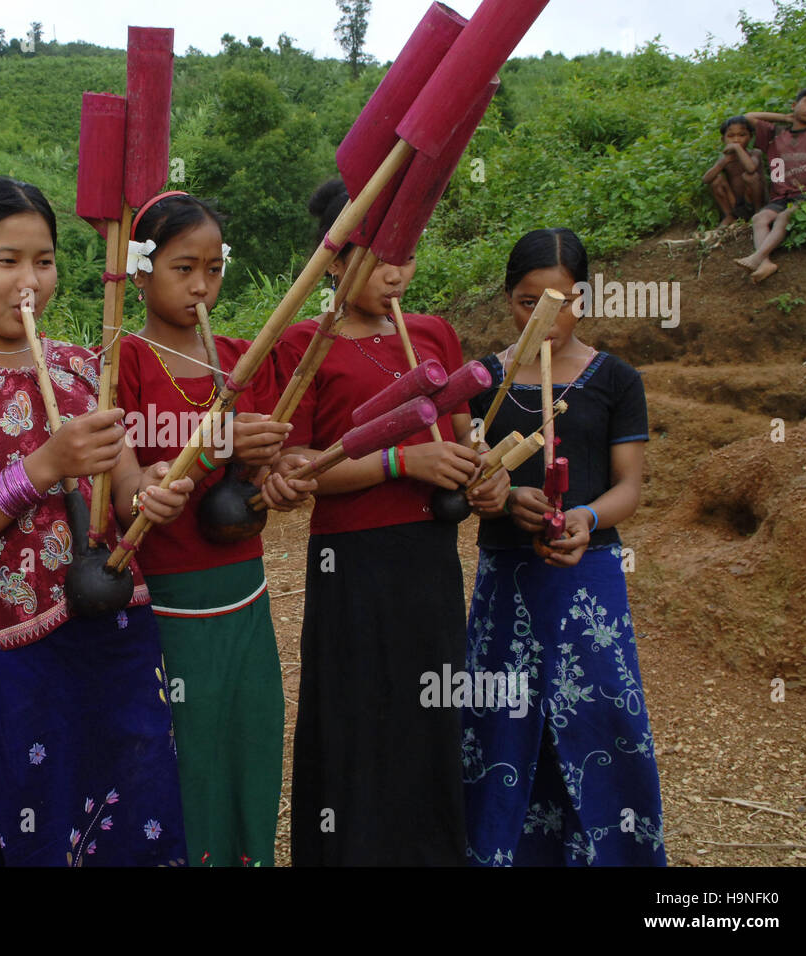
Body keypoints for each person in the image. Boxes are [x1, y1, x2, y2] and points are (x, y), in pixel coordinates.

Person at [0, 175, 194, 866]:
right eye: (7, 261)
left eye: (45, 261)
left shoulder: (82, 366)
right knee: (32, 801)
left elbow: (124, 486)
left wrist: (152, 492)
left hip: (115, 618)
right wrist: (42, 468)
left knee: (137, 787)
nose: (31, 280)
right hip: (14, 638)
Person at [279, 179, 508, 866]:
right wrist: (401, 462)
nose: (395, 274)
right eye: (378, 258)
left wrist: (487, 474)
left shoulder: (433, 332)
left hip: (429, 557)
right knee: (358, 711)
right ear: (334, 257)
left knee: (429, 711)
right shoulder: (305, 344)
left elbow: (468, 439)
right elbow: (305, 466)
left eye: (404, 257)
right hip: (351, 561)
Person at [115, 191, 315, 867]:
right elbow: (123, 490)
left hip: (244, 591)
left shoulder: (242, 359)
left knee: (249, 733)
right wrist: (209, 445)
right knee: (185, 744)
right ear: (140, 271)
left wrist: (277, 479)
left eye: (212, 268)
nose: (201, 285)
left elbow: (255, 477)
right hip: (167, 599)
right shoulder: (123, 361)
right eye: (182, 268)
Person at [462, 227, 666, 866]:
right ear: (508, 300)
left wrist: (582, 516)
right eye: (528, 303)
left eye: (561, 301)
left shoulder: (616, 380)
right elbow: (467, 479)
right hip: (507, 576)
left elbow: (629, 488)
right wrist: (495, 494)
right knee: (503, 718)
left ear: (583, 298)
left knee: (602, 714)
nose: (545, 319)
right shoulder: (483, 383)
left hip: (591, 575)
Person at [736, 86, 806, 282]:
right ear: (795, 105)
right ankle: (766, 263)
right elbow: (749, 116)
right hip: (781, 194)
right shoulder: (774, 132)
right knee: (759, 219)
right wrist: (785, 118)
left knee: (784, 216)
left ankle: (758, 257)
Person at [702, 116, 764, 226]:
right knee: (717, 180)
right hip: (734, 202)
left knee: (750, 176)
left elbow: (751, 169)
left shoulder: (755, 153)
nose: (736, 140)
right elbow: (706, 179)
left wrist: (737, 149)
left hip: (753, 199)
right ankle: (729, 215)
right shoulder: (725, 159)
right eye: (731, 136)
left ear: (750, 137)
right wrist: (724, 162)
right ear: (723, 139)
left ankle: (758, 213)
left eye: (742, 135)